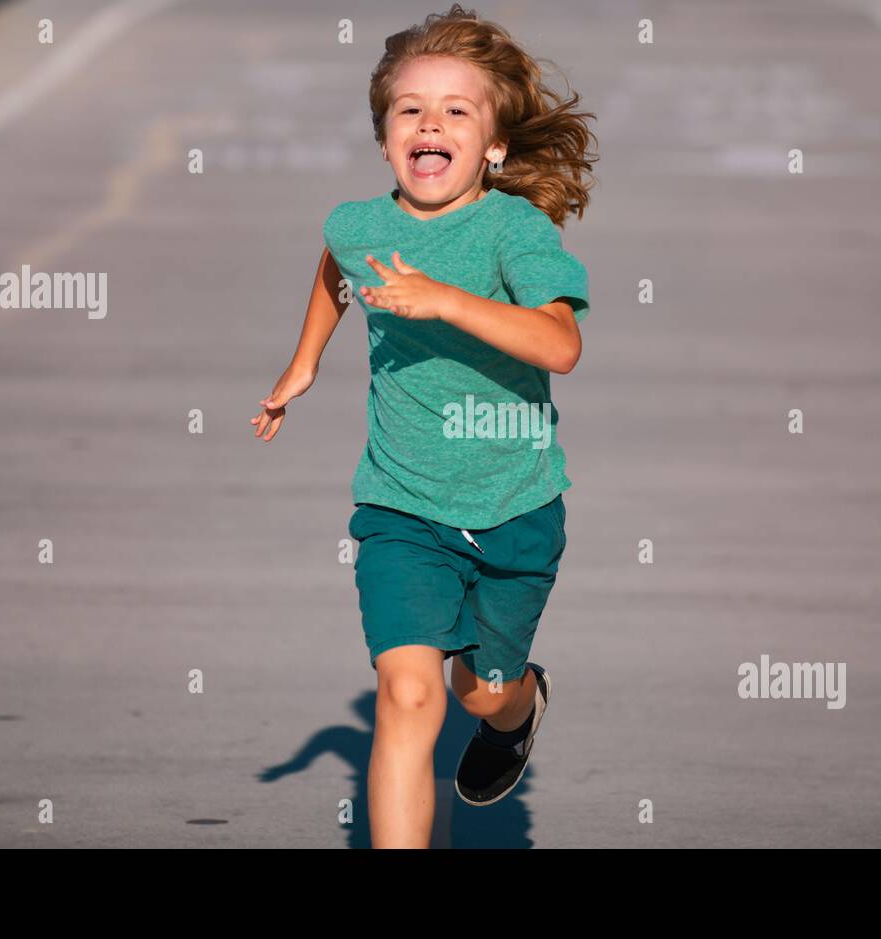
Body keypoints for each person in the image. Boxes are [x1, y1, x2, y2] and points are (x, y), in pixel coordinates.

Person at [252, 3, 597, 848]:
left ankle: (518, 712)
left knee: (482, 691)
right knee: (410, 693)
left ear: (495, 146)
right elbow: (339, 258)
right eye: (410, 109)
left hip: (515, 508)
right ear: (383, 140)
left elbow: (561, 345)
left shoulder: (516, 229)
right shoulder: (363, 223)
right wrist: (307, 360)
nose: (430, 123)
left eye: (456, 110)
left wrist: (443, 299)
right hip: (402, 507)